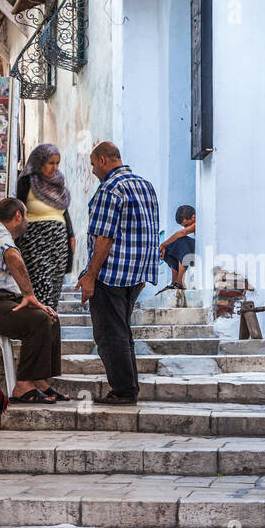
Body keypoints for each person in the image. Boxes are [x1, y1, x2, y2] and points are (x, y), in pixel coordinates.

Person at [0, 197, 67, 404]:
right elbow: (13, 257)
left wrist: (38, 304)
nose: (27, 221)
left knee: (49, 317)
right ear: (18, 216)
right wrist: (29, 295)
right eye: (26, 216)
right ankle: (23, 386)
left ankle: (39, 381)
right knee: (38, 320)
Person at [76, 141, 160, 405]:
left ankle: (124, 390)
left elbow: (104, 237)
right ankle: (128, 386)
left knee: (109, 334)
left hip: (111, 273)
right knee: (122, 331)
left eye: (92, 164)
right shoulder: (145, 185)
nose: (92, 171)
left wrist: (90, 275)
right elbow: (150, 230)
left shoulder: (110, 189)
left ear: (102, 160)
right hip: (136, 272)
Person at [15, 143, 76, 313]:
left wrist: (71, 235)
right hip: (34, 241)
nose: (54, 167)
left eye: (57, 163)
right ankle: (39, 323)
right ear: (40, 162)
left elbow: (64, 210)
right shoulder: (27, 181)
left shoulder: (59, 183)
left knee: (55, 286)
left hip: (58, 243)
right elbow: (18, 210)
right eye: (51, 163)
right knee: (40, 283)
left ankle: (49, 325)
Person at [158, 205, 196, 291]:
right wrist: (165, 246)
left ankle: (179, 282)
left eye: (187, 224)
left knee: (181, 240)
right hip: (191, 254)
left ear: (193, 217)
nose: (185, 228)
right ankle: (174, 282)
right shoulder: (192, 224)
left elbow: (182, 233)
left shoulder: (197, 223)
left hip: (201, 255)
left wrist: (162, 245)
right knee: (168, 247)